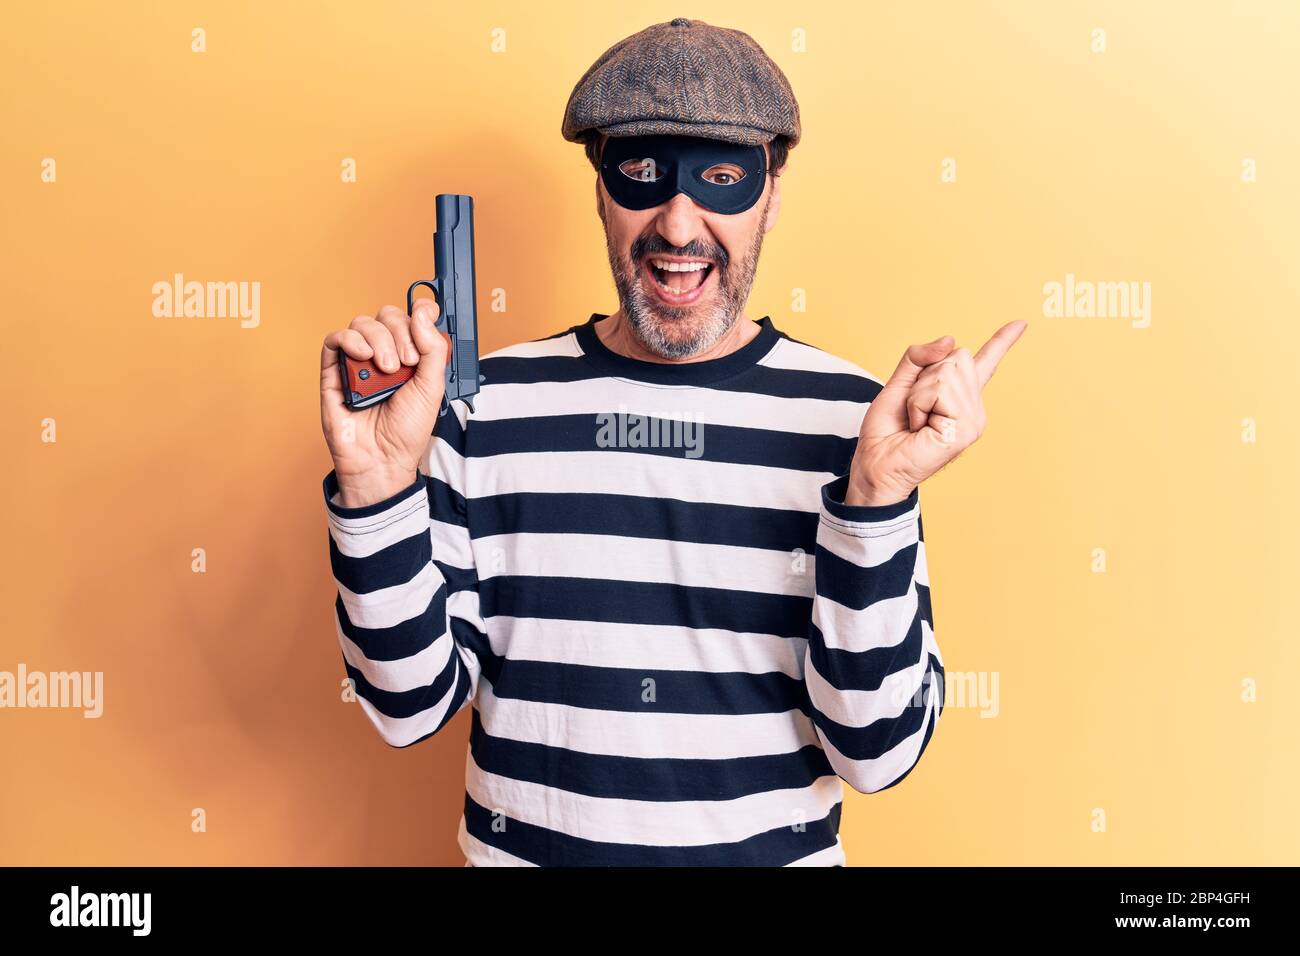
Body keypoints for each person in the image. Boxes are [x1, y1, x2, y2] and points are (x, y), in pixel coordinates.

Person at [317, 17, 1025, 866]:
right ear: (602, 192)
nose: (680, 227)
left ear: (770, 193)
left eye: (722, 178)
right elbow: (408, 706)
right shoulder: (481, 408)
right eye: (644, 176)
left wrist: (874, 502)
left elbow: (876, 753)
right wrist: (375, 487)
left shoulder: (857, 422)